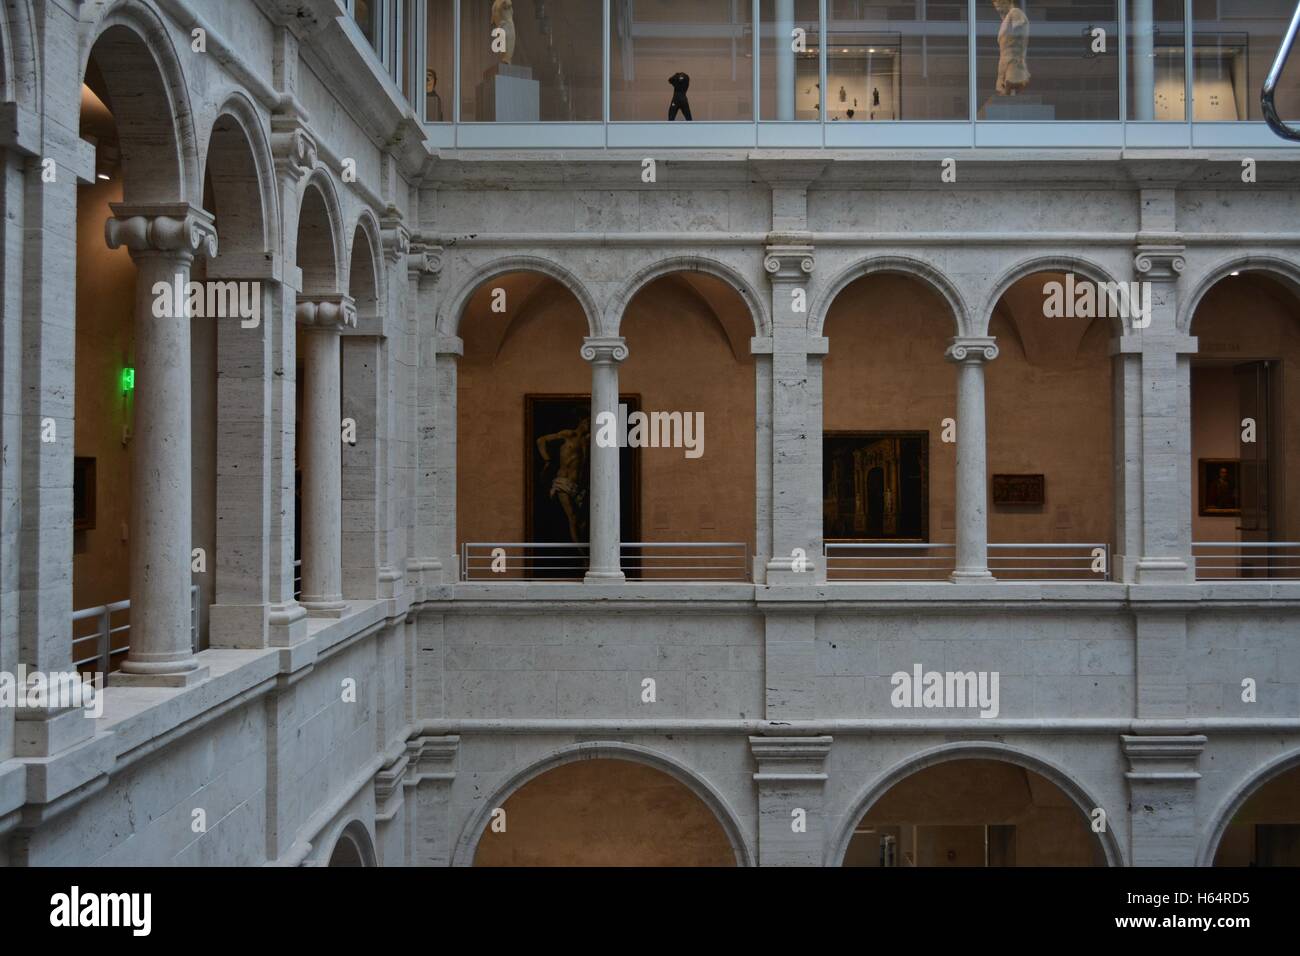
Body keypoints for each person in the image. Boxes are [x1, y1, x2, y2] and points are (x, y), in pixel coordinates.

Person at [537, 417, 590, 543]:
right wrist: (547, 459)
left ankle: (584, 554)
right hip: (563, 481)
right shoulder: (568, 434)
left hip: (579, 486)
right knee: (573, 518)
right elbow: (541, 440)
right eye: (588, 421)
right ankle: (584, 557)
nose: (591, 424)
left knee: (583, 522)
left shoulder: (588, 439)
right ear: (582, 422)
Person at [994, 0, 1031, 95]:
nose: (998, 8)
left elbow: (1020, 38)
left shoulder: (1015, 13)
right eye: (996, 6)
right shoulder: (1006, 20)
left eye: (1001, 4)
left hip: (1014, 65)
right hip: (1005, 65)